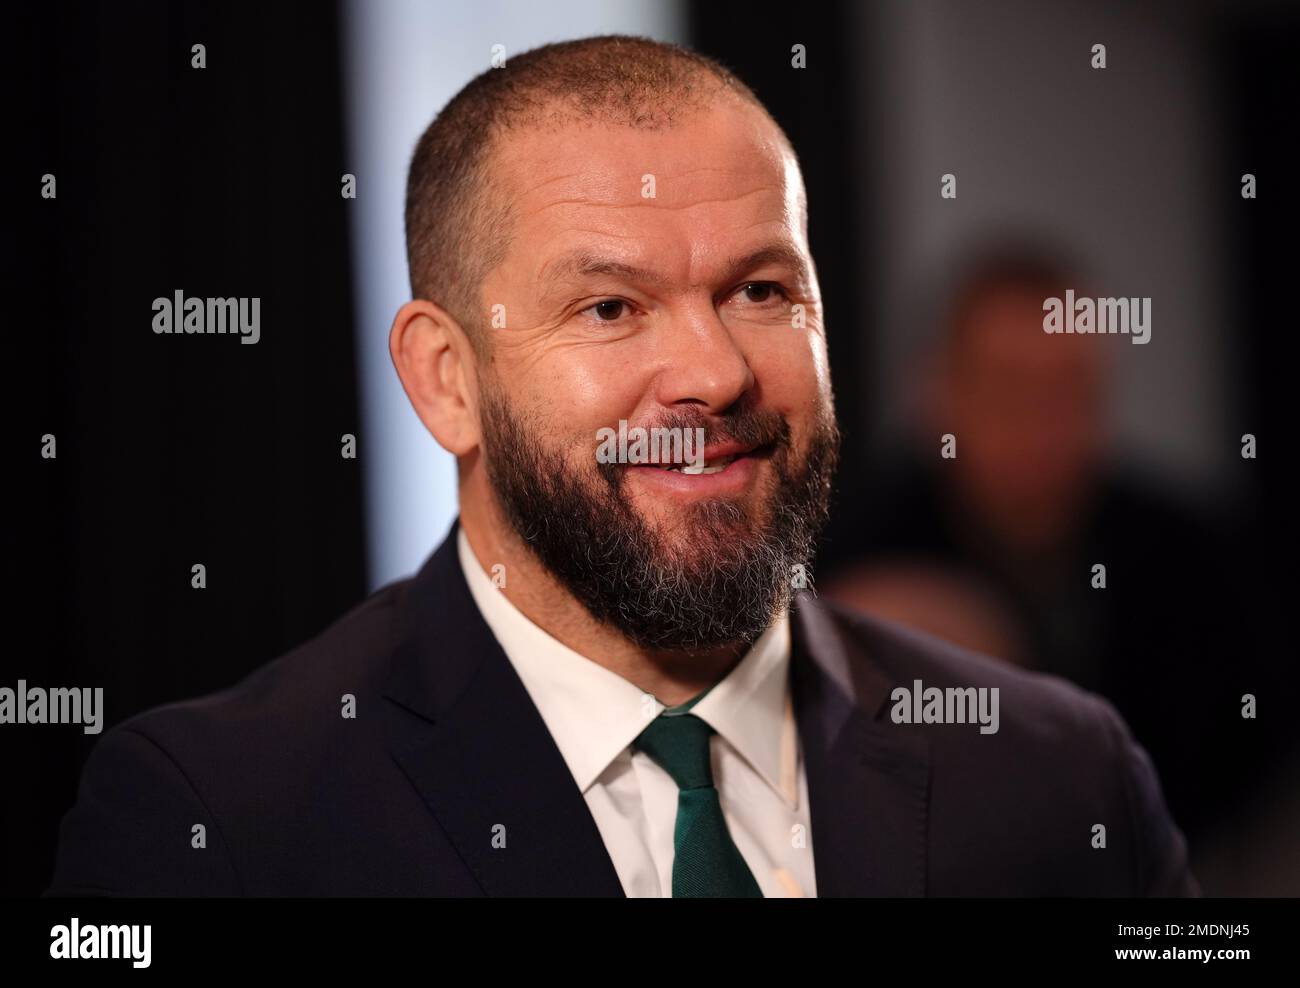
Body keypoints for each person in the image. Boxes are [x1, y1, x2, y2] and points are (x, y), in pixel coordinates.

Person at [46, 36, 1195, 897]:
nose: (713, 372)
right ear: (447, 380)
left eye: (759, 290)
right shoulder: (219, 818)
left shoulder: (1063, 777)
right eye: (608, 305)